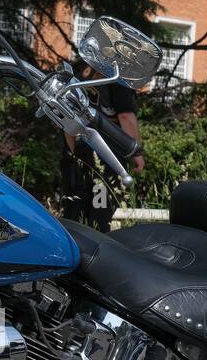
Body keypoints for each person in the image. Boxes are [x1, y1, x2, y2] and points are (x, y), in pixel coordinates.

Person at [58, 62, 145, 233]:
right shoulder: (116, 74)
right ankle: (94, 254)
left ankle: (72, 250)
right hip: (107, 153)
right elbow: (126, 116)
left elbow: (65, 116)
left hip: (77, 149)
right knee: (100, 212)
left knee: (75, 210)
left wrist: (72, 153)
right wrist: (136, 153)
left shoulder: (78, 70)